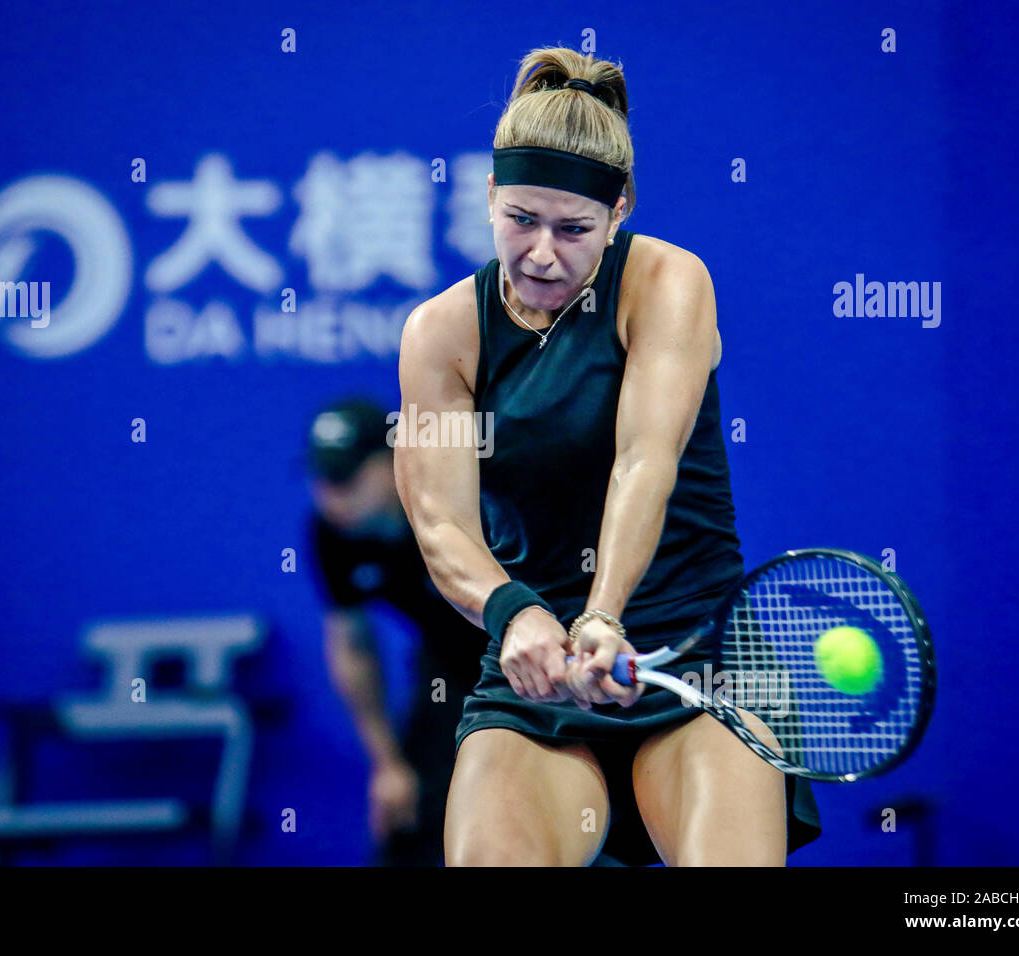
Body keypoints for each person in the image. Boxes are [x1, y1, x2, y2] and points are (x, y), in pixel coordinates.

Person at [393, 47, 823, 866]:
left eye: (574, 228)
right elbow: (441, 521)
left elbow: (644, 463)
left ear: (618, 210)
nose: (542, 253)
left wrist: (604, 614)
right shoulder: (440, 335)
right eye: (520, 218)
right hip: (537, 679)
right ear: (487, 196)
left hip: (698, 660)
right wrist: (515, 612)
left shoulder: (669, 282)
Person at [304, 398, 487, 865]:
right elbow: (353, 647)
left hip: (532, 656)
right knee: (410, 816)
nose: (331, 497)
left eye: (345, 478)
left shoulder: (465, 498)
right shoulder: (331, 535)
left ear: (393, 459)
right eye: (322, 479)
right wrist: (386, 763)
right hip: (449, 668)